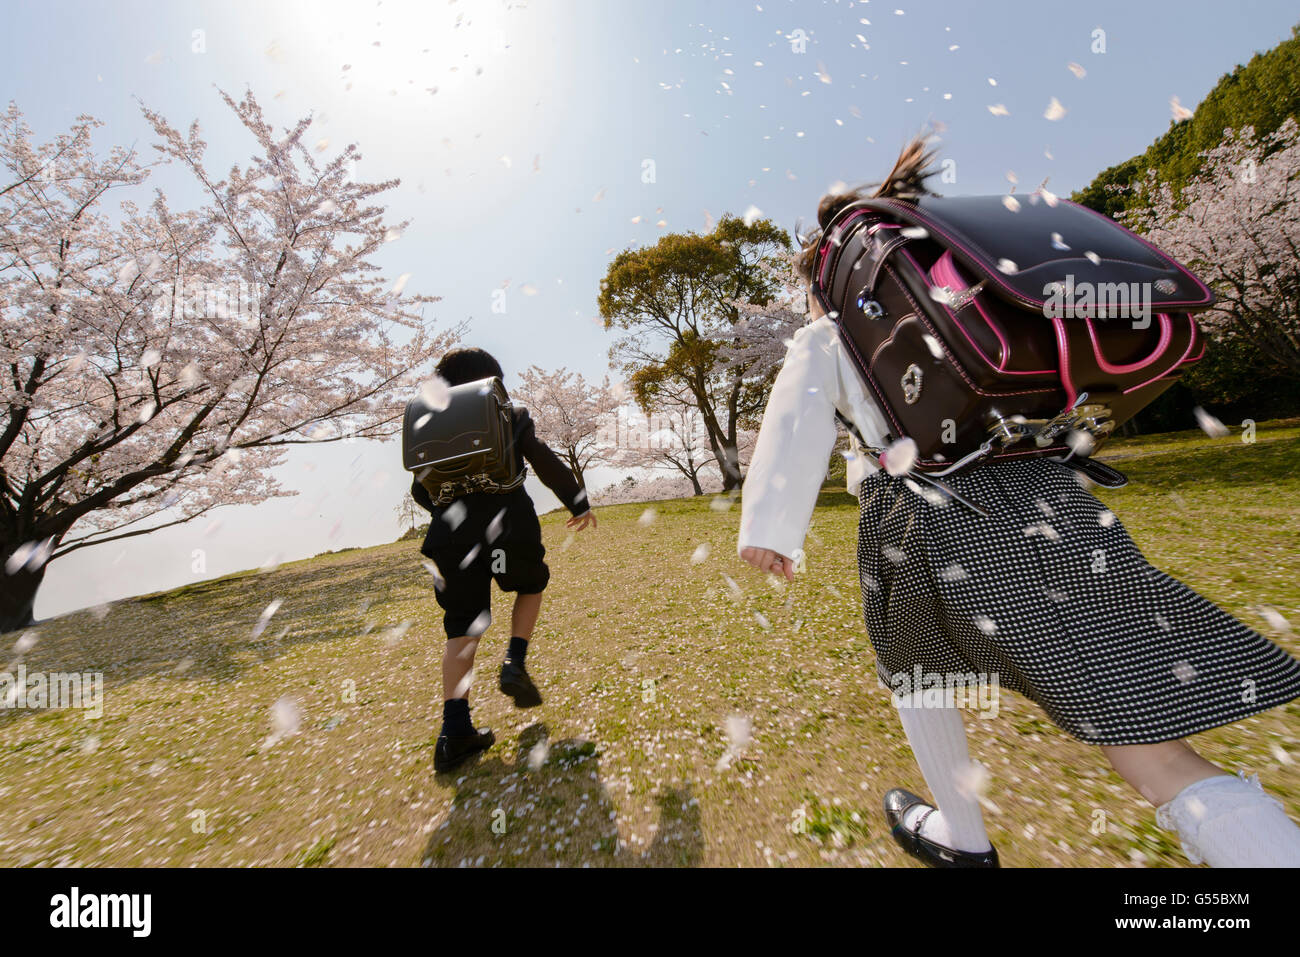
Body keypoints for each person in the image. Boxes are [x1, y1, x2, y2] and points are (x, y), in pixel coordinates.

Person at [736, 135, 1300, 868]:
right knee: (1138, 723)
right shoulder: (977, 294)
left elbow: (793, 423)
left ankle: (964, 838)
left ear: (828, 274)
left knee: (920, 673)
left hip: (923, 520)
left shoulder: (829, 333)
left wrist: (770, 528)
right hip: (1051, 496)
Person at [411, 347, 597, 773]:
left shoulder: (427, 423)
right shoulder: (509, 413)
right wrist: (577, 502)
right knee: (531, 585)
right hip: (509, 524)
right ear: (491, 381)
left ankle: (454, 733)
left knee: (463, 629)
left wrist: (455, 514)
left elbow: (420, 492)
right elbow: (543, 459)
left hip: (451, 537)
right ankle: (514, 660)